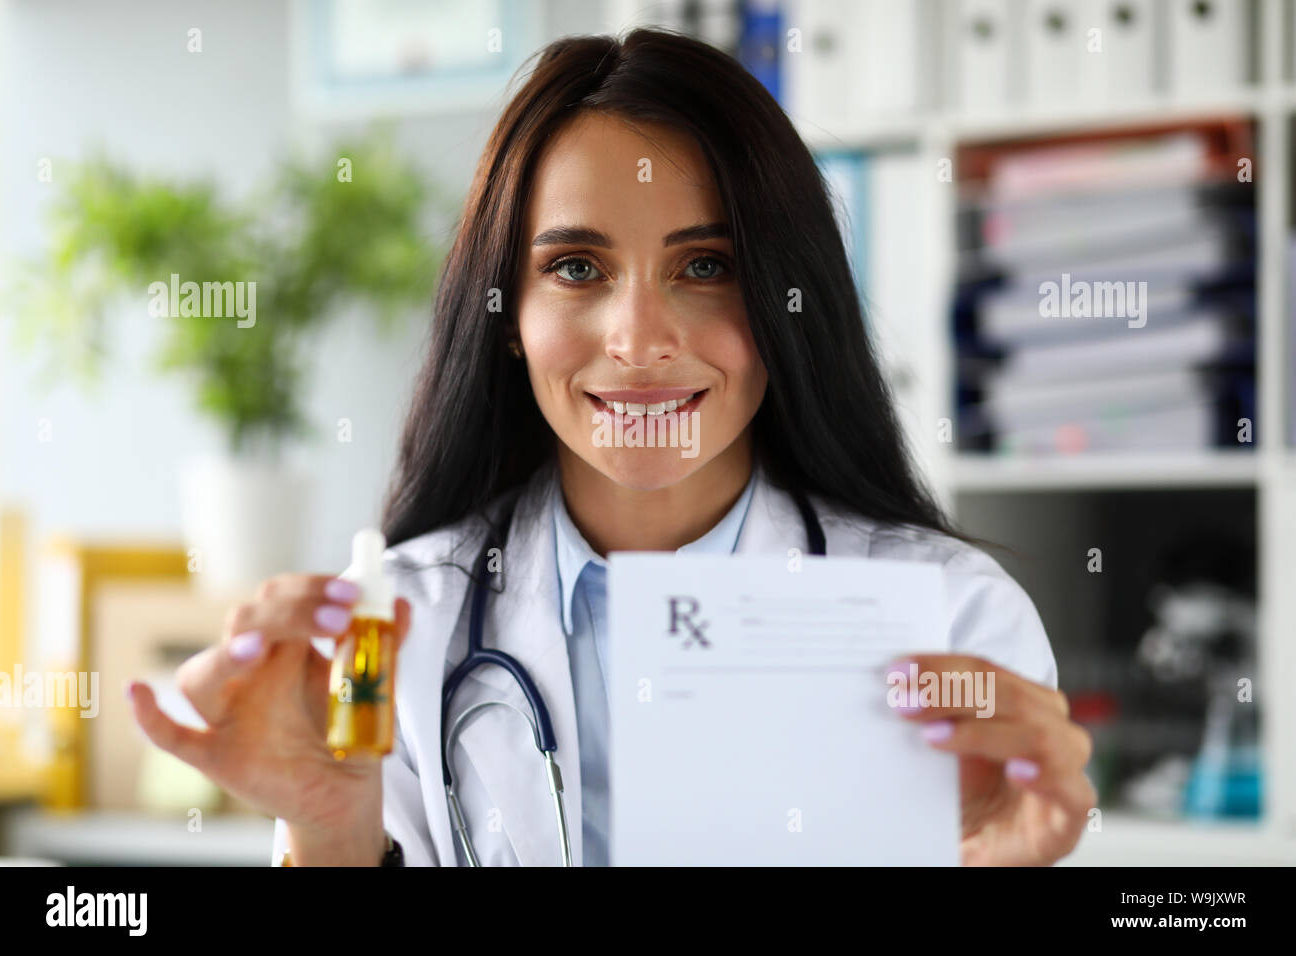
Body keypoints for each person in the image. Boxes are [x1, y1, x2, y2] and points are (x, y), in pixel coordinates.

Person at [128, 27, 1095, 866]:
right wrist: (332, 840)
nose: (638, 339)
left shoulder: (955, 625)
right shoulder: (398, 634)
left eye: (706, 265)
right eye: (577, 267)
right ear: (508, 313)